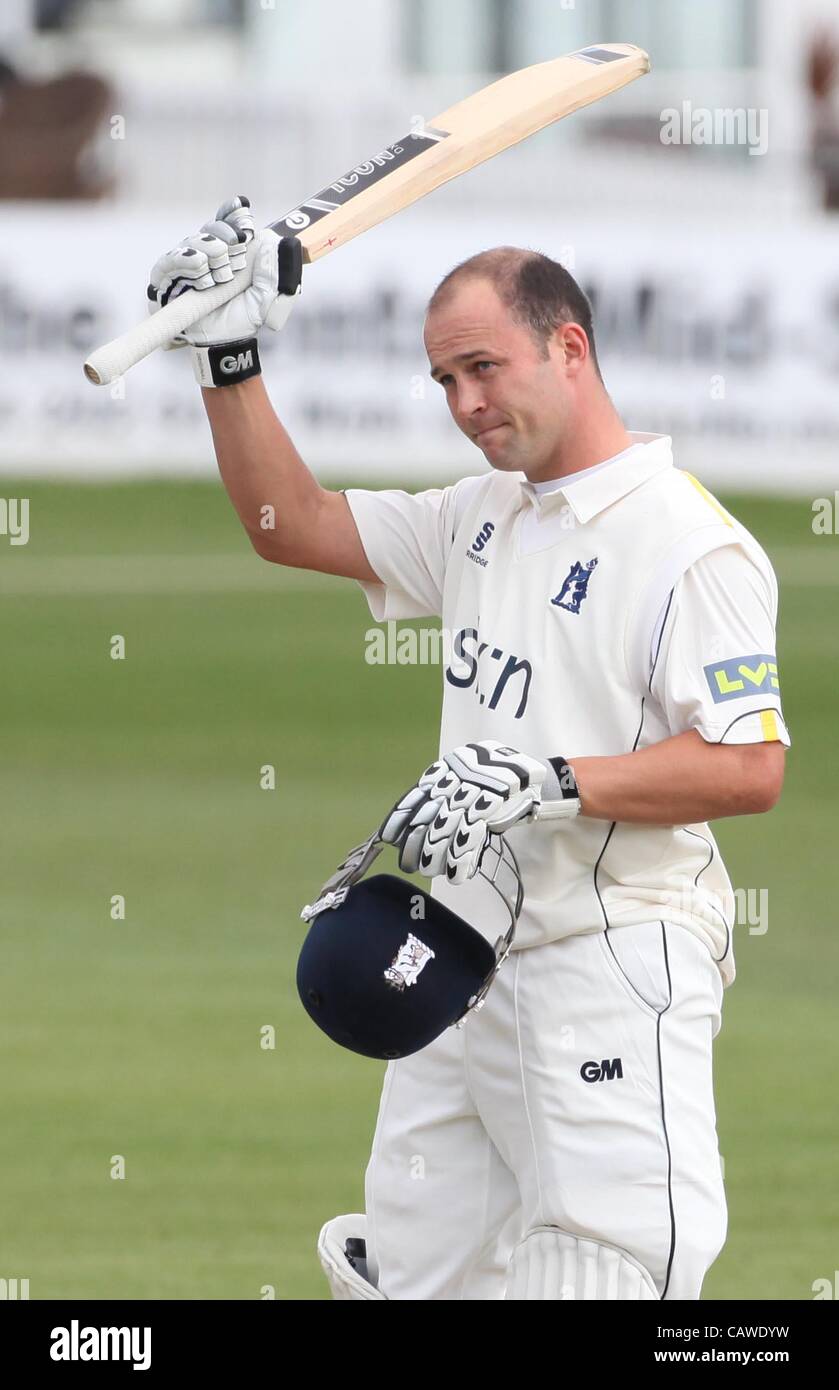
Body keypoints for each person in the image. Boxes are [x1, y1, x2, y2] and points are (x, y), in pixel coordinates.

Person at [148, 200, 790, 1301]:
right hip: (459, 960)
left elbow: (746, 768)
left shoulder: (688, 546)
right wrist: (228, 356)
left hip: (611, 958)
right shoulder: (481, 517)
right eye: (444, 381)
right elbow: (285, 522)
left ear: (569, 347)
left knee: (599, 1277)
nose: (465, 404)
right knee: (413, 1278)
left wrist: (545, 782)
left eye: (483, 368)